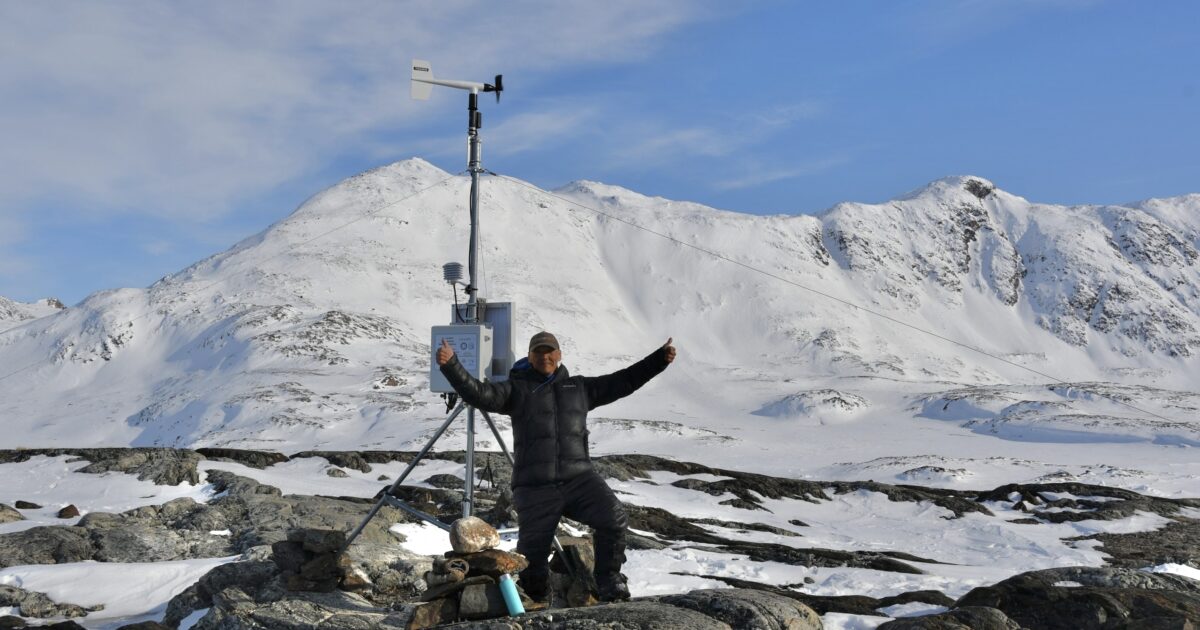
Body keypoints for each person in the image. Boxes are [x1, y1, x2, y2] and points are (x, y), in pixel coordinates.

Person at [436, 330, 676, 602]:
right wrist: (451, 366)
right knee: (531, 558)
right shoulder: (516, 390)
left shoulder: (579, 388)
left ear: (559, 355)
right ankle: (536, 602)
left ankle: (609, 583)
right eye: (538, 352)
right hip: (535, 486)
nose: (545, 356)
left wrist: (659, 360)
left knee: (614, 520)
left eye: (550, 351)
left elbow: (624, 381)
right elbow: (480, 393)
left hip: (580, 480)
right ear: (530, 357)